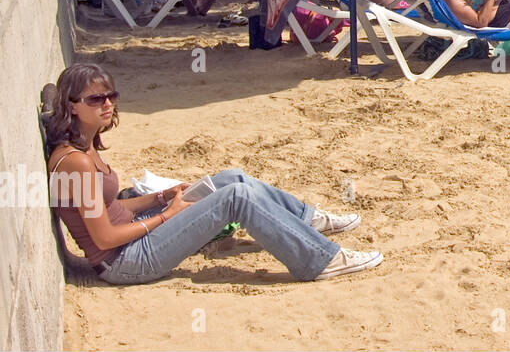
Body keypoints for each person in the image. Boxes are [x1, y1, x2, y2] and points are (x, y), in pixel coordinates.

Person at [45, 63, 383, 283]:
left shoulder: (83, 147)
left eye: (111, 96)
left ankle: (303, 220)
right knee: (235, 198)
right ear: (72, 105)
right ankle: (320, 260)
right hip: (126, 262)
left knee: (230, 178)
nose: (107, 104)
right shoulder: (76, 162)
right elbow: (104, 238)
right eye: (96, 99)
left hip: (133, 239)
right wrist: (167, 216)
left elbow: (112, 209)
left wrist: (161, 197)